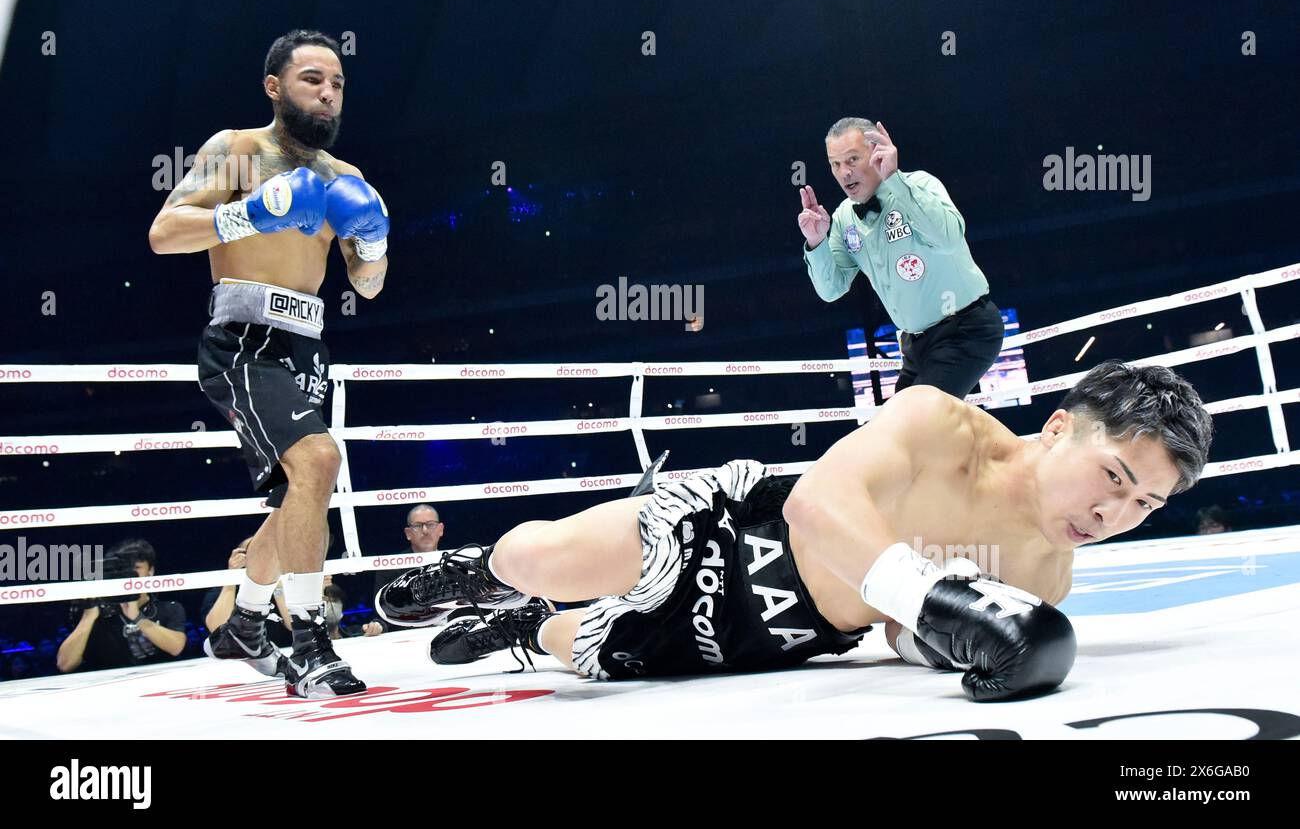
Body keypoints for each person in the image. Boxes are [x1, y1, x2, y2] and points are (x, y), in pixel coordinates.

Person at [379, 361, 1212, 701]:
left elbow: (898, 629)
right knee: (541, 555)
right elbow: (819, 501)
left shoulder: (1051, 574)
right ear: (1062, 427)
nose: (1113, 516)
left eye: (1145, 505)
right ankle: (483, 570)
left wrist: (943, 638)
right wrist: (940, 594)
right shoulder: (939, 425)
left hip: (780, 632)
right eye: (1115, 478)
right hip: (739, 531)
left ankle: (520, 623)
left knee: (582, 650)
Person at [148, 29, 390, 698]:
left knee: (296, 499)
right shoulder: (237, 151)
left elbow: (368, 285)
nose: (328, 93)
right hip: (243, 337)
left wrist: (372, 241)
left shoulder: (349, 180)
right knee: (319, 460)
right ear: (274, 86)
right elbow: (164, 233)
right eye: (313, 78)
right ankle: (311, 637)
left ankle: (245, 621)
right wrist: (246, 215)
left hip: (307, 344)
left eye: (338, 83)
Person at [798, 118, 1003, 399]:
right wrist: (817, 241)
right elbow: (831, 290)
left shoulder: (920, 183)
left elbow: (947, 240)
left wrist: (894, 179)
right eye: (835, 164)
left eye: (852, 159)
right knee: (894, 430)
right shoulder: (844, 217)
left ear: (877, 150)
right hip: (913, 346)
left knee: (917, 425)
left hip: (965, 329)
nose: (844, 173)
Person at [56, 540, 188, 673]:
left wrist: (138, 617)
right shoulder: (97, 613)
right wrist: (88, 617)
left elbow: (176, 647)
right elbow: (65, 664)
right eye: (122, 569)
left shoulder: (169, 608)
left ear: (150, 570)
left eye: (136, 568)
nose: (128, 575)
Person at [363, 505, 446, 636]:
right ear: (408, 533)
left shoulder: (458, 563)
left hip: (453, 634)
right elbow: (382, 614)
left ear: (440, 529)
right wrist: (378, 626)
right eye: (418, 526)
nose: (425, 530)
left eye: (431, 524)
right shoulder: (390, 568)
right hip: (409, 638)